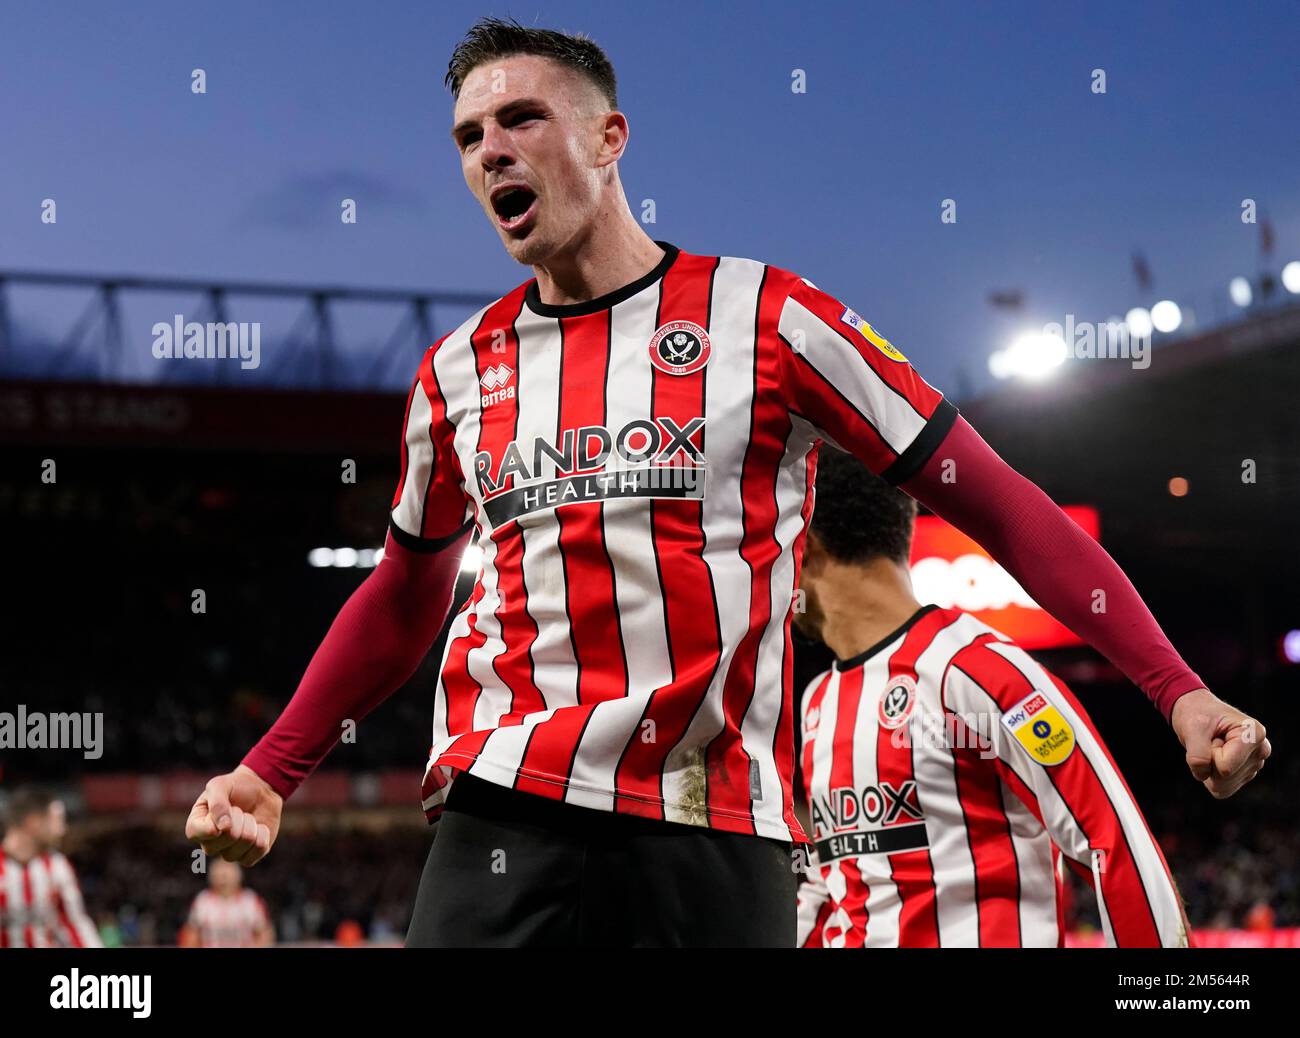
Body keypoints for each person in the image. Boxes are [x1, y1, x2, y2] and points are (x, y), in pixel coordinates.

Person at [186, 18, 1269, 947]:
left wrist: (1175, 690)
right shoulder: (458, 371)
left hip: (714, 827)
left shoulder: (768, 317)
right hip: (503, 813)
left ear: (610, 138)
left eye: (521, 119)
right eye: (469, 136)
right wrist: (271, 769)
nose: (490, 152)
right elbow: (405, 592)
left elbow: (993, 499)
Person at [793, 448, 1189, 946]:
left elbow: (1113, 843)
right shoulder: (817, 701)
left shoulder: (979, 673)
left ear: (804, 541)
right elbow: (829, 882)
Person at [0, 788, 102, 948]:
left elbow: (75, 925)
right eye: (57, 821)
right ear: (34, 822)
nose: (63, 830)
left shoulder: (57, 867)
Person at [181, 858, 274, 948]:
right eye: (220, 875)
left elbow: (264, 935)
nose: (224, 879)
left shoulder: (250, 900)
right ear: (212, 876)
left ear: (238, 876)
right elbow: (190, 935)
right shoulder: (202, 901)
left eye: (227, 875)